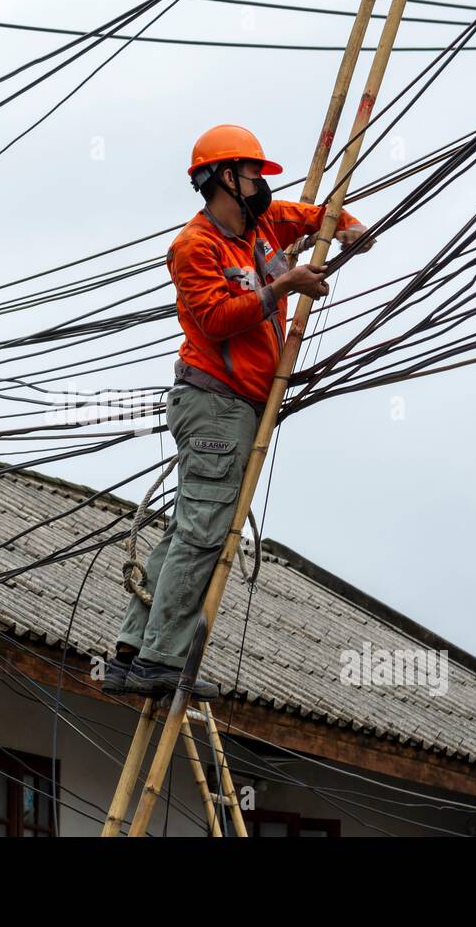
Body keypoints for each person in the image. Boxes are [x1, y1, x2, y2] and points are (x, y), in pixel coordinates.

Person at [107, 125, 373, 701]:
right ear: (226, 177)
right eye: (254, 173)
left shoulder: (261, 228)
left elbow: (315, 215)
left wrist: (348, 225)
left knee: (185, 529)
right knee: (203, 535)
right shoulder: (194, 247)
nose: (262, 184)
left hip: (234, 405)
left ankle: (130, 653)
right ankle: (158, 662)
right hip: (215, 405)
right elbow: (216, 321)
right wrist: (285, 288)